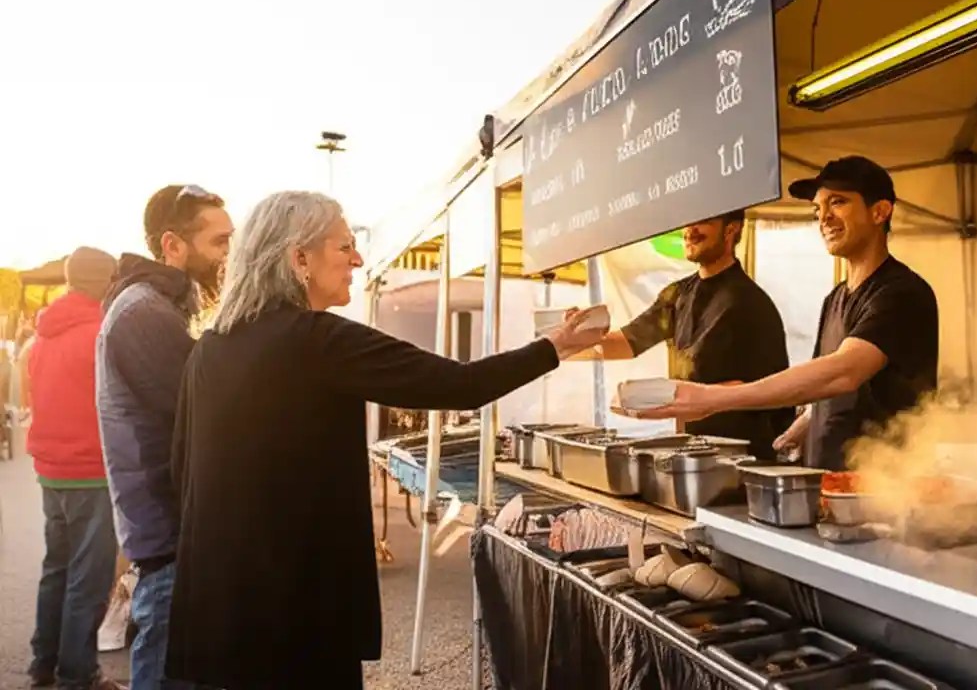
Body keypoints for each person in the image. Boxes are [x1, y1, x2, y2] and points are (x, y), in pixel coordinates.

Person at [164, 191, 606, 689]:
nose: (357, 259)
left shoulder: (211, 348)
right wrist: (557, 346)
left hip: (225, 605)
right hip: (299, 609)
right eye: (344, 247)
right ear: (299, 258)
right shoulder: (318, 340)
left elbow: (182, 467)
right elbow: (460, 384)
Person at [630, 156, 939, 470]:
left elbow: (844, 372)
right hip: (828, 480)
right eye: (818, 209)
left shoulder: (901, 292)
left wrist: (710, 398)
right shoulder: (835, 298)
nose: (825, 218)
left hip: (884, 486)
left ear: (880, 211)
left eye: (838, 202)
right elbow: (827, 392)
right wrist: (797, 430)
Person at [97, 184, 234, 690]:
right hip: (170, 532)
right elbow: (203, 414)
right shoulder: (144, 313)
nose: (228, 255)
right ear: (173, 245)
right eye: (219, 242)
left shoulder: (159, 304)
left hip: (170, 530)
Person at [583, 210, 792, 459]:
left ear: (731, 230)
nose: (690, 230)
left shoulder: (751, 303)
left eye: (703, 220)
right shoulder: (677, 295)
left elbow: (771, 389)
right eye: (688, 220)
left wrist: (687, 397)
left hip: (745, 457)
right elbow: (627, 342)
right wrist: (568, 340)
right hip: (696, 452)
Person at [26, 247, 124, 690]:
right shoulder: (102, 333)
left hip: (51, 469)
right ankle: (77, 674)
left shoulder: (43, 335)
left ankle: (43, 665)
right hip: (91, 471)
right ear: (106, 281)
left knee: (57, 568)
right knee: (90, 576)